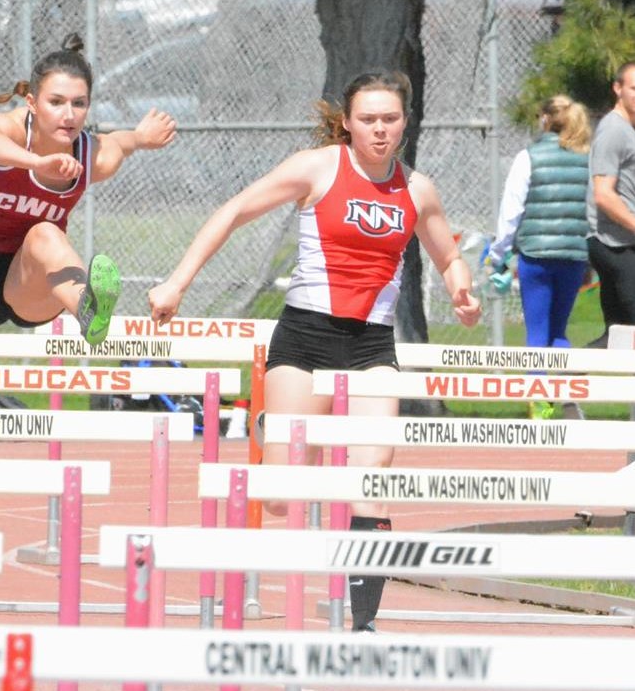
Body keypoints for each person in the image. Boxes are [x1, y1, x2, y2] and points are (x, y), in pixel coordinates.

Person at [148, 70, 481, 633]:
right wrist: (177, 283)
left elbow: (447, 254)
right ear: (347, 123)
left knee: (371, 476)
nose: (379, 130)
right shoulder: (317, 167)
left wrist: (460, 289)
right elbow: (234, 211)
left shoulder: (417, 189)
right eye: (368, 119)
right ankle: (265, 427)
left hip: (372, 343)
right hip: (304, 338)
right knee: (281, 495)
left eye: (390, 119)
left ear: (405, 122)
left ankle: (365, 623)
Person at [0, 34, 176, 410]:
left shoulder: (90, 156)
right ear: (32, 102)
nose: (69, 115)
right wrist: (37, 164)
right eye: (56, 102)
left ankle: (89, 309)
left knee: (44, 233)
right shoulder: (12, 130)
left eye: (79, 104)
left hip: (32, 278)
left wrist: (141, 137)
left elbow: (119, 143)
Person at [489, 95, 592, 418]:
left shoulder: (528, 156)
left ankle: (539, 401)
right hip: (573, 255)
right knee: (559, 331)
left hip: (535, 254)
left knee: (537, 331)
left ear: (545, 119)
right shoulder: (585, 158)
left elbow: (512, 210)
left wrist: (498, 252)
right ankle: (566, 395)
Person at [586, 61, 635, 347]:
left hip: (621, 243)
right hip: (613, 244)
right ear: (618, 89)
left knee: (618, 336)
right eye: (633, 88)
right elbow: (603, 194)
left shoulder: (628, 129)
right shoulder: (614, 130)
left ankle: (565, 380)